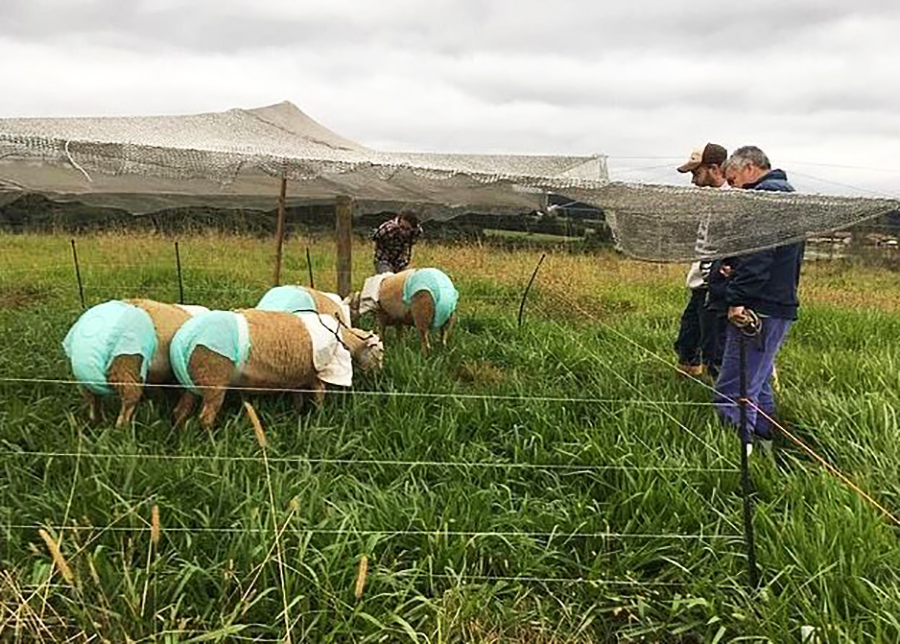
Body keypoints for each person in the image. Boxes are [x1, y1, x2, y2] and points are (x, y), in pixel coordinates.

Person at [708, 146, 803, 451]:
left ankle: (734, 452)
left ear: (749, 167)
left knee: (735, 384)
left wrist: (738, 299)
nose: (734, 187)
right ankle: (763, 440)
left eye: (734, 179)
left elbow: (758, 255)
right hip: (777, 305)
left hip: (758, 308)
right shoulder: (787, 196)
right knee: (758, 379)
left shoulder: (763, 200)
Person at [673, 143, 729, 378]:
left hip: (716, 287)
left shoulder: (734, 200)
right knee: (687, 341)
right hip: (699, 285)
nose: (693, 181)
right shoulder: (709, 200)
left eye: (696, 173)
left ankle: (728, 401)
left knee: (715, 348)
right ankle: (686, 384)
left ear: (714, 168)